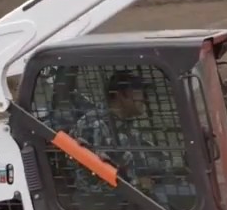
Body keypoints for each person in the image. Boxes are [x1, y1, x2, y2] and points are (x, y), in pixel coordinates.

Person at [70, 69, 164, 202]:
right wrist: (138, 184)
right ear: (122, 95)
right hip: (106, 207)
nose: (144, 98)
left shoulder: (126, 125)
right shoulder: (95, 125)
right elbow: (92, 181)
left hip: (130, 200)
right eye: (138, 91)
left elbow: (143, 160)